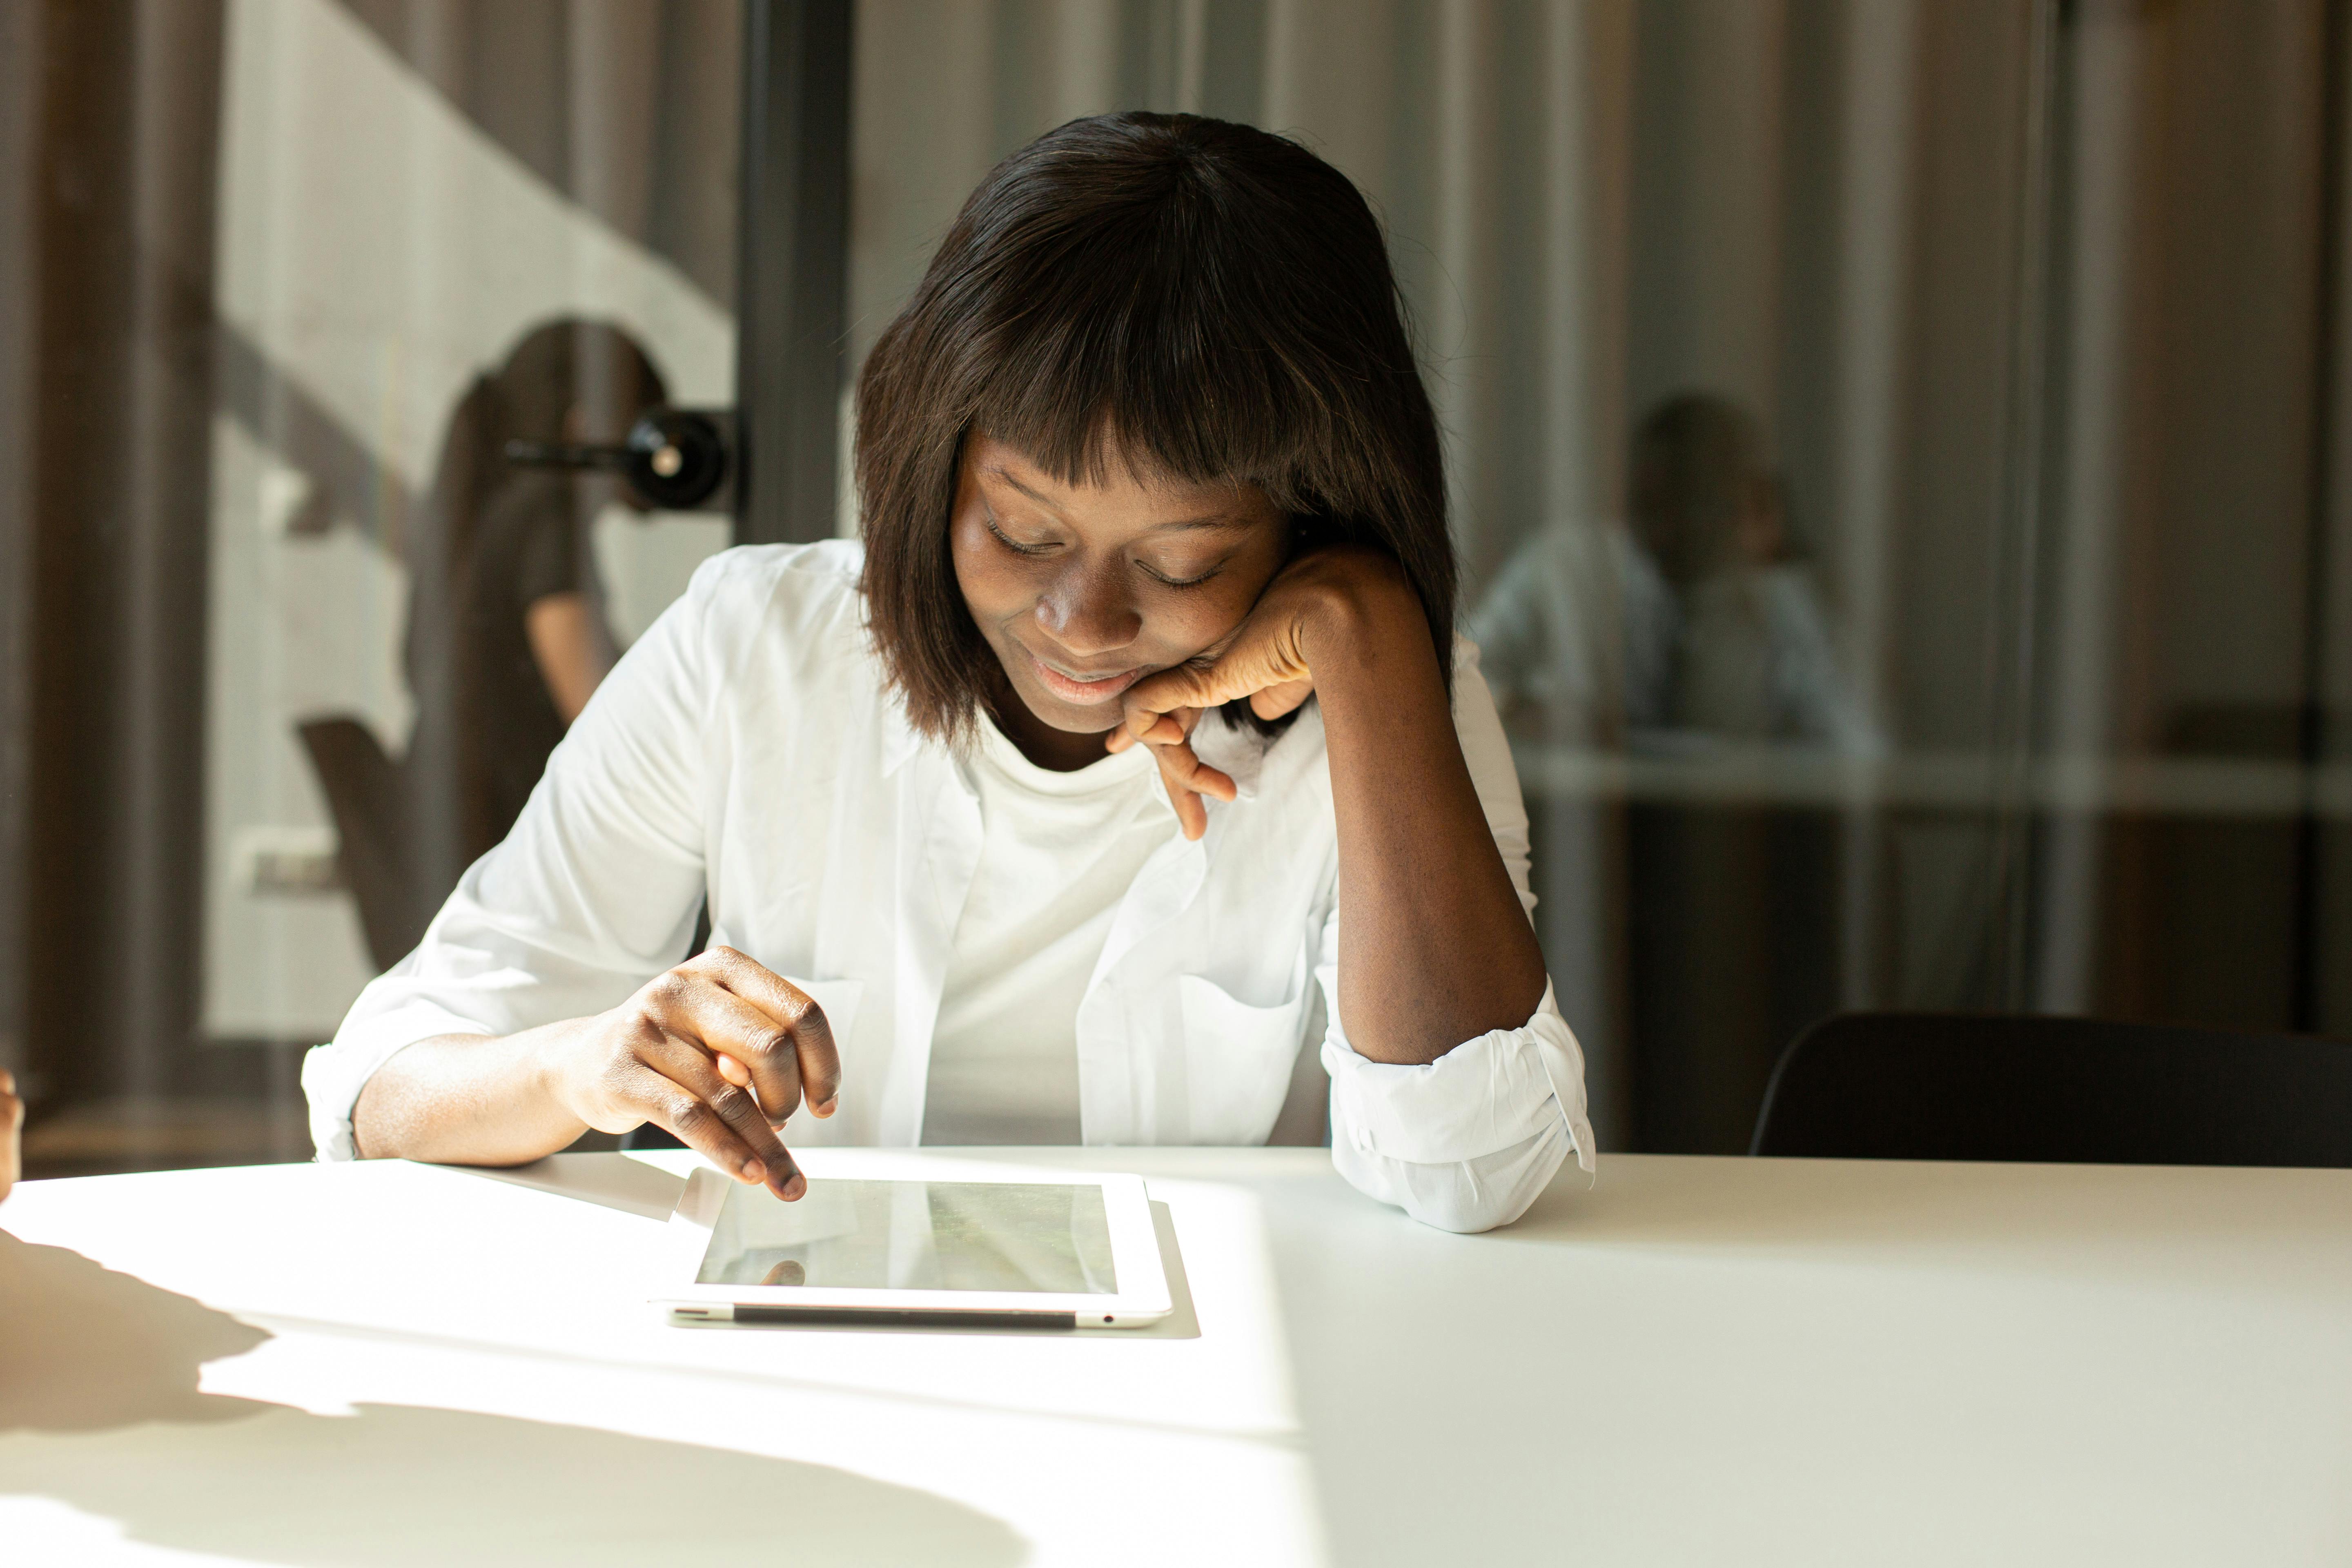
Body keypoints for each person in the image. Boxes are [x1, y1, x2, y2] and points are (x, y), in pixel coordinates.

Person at [303, 113, 1592, 1234]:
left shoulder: (1389, 690)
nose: (1082, 622)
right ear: (935, 474)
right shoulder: (759, 647)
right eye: (1023, 534)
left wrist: (1370, 632)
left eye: (1183, 560)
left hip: (1227, 1368)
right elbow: (376, 1088)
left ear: (1312, 518)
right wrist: (569, 1066)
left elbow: (1469, 1170)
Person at [400, 319, 667, 933]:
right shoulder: (546, 521)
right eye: (645, 425)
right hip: (516, 879)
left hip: (475, 861)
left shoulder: (500, 517)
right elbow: (602, 720)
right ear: (584, 429)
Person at [1473, 392, 1876, 754]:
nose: (1665, 530)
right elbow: (1457, 676)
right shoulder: (1562, 568)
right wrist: (1523, 711)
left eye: (1691, 505)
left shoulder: (1774, 599)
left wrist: (1783, 565)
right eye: (1648, 506)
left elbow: (1864, 742)